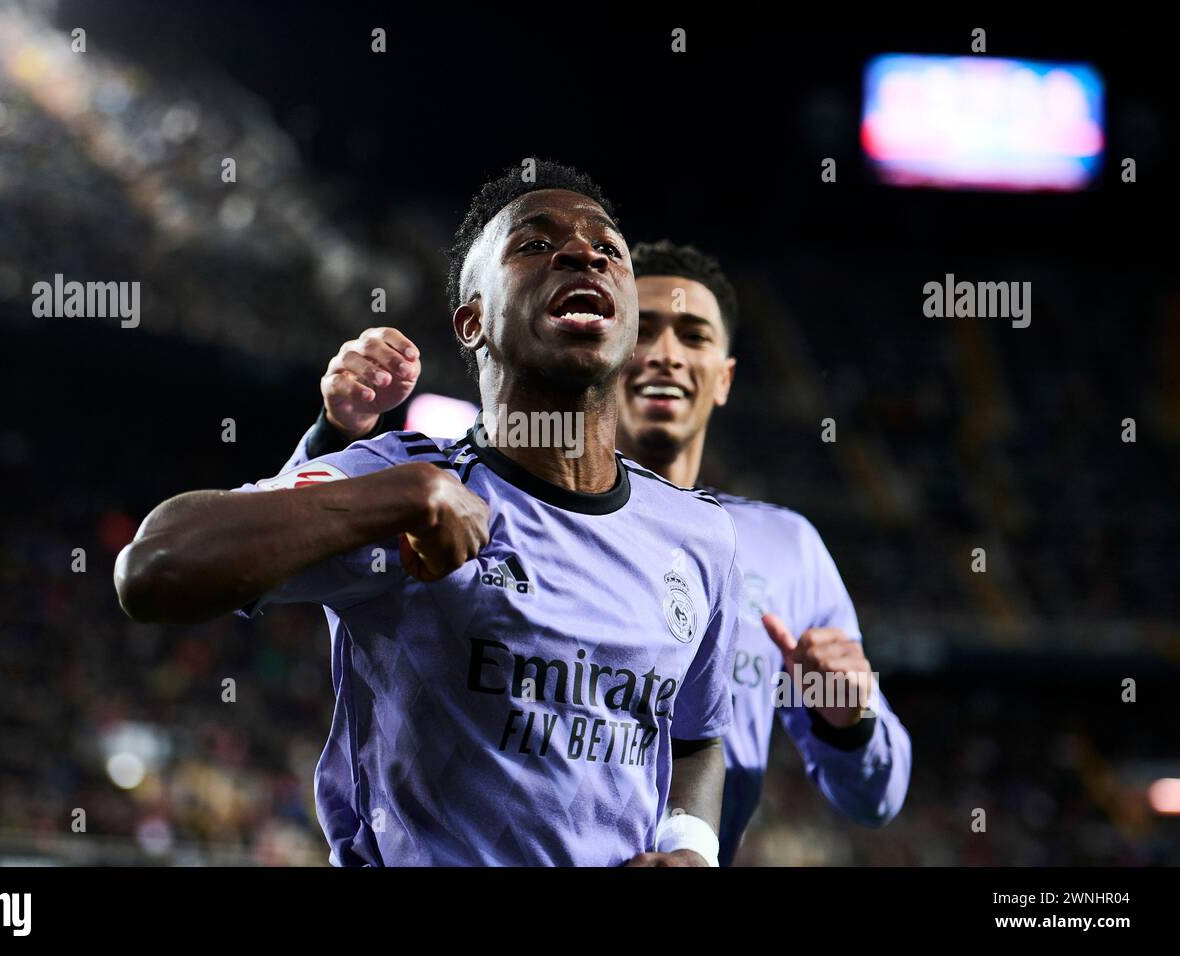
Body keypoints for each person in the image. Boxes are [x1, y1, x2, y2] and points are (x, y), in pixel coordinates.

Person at [114, 163, 742, 867]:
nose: (582, 252)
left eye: (608, 248)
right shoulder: (399, 479)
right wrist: (400, 496)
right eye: (535, 245)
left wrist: (691, 847)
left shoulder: (699, 536)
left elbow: (696, 735)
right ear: (472, 320)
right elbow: (155, 567)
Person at [289, 239, 911, 865]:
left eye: (694, 336)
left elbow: (874, 800)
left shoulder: (787, 549)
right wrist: (332, 438)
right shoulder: (488, 492)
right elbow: (288, 550)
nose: (666, 355)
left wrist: (851, 724)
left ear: (724, 378)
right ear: (606, 340)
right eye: (649, 331)